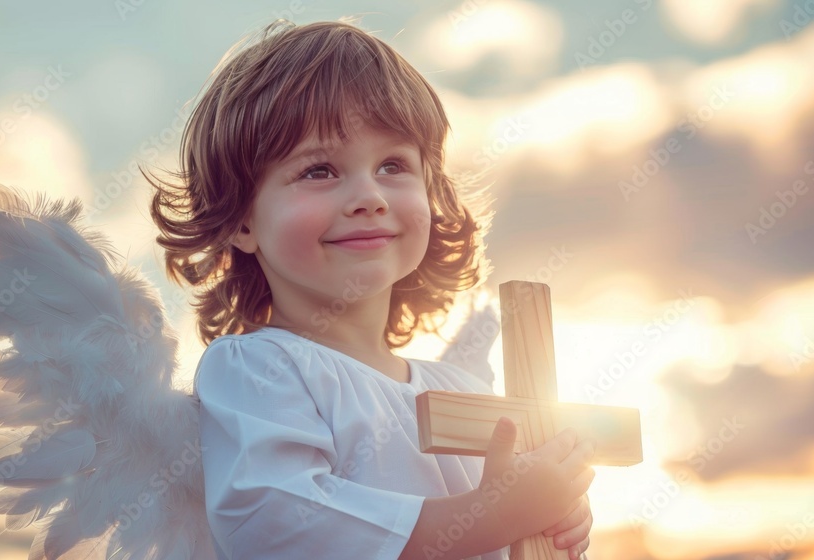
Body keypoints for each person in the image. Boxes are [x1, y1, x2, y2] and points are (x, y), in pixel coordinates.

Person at [148, 18, 595, 560]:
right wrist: (493, 514)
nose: (369, 196)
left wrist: (549, 519)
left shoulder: (464, 392)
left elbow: (507, 521)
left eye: (392, 165)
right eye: (318, 170)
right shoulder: (258, 369)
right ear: (242, 220)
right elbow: (280, 525)